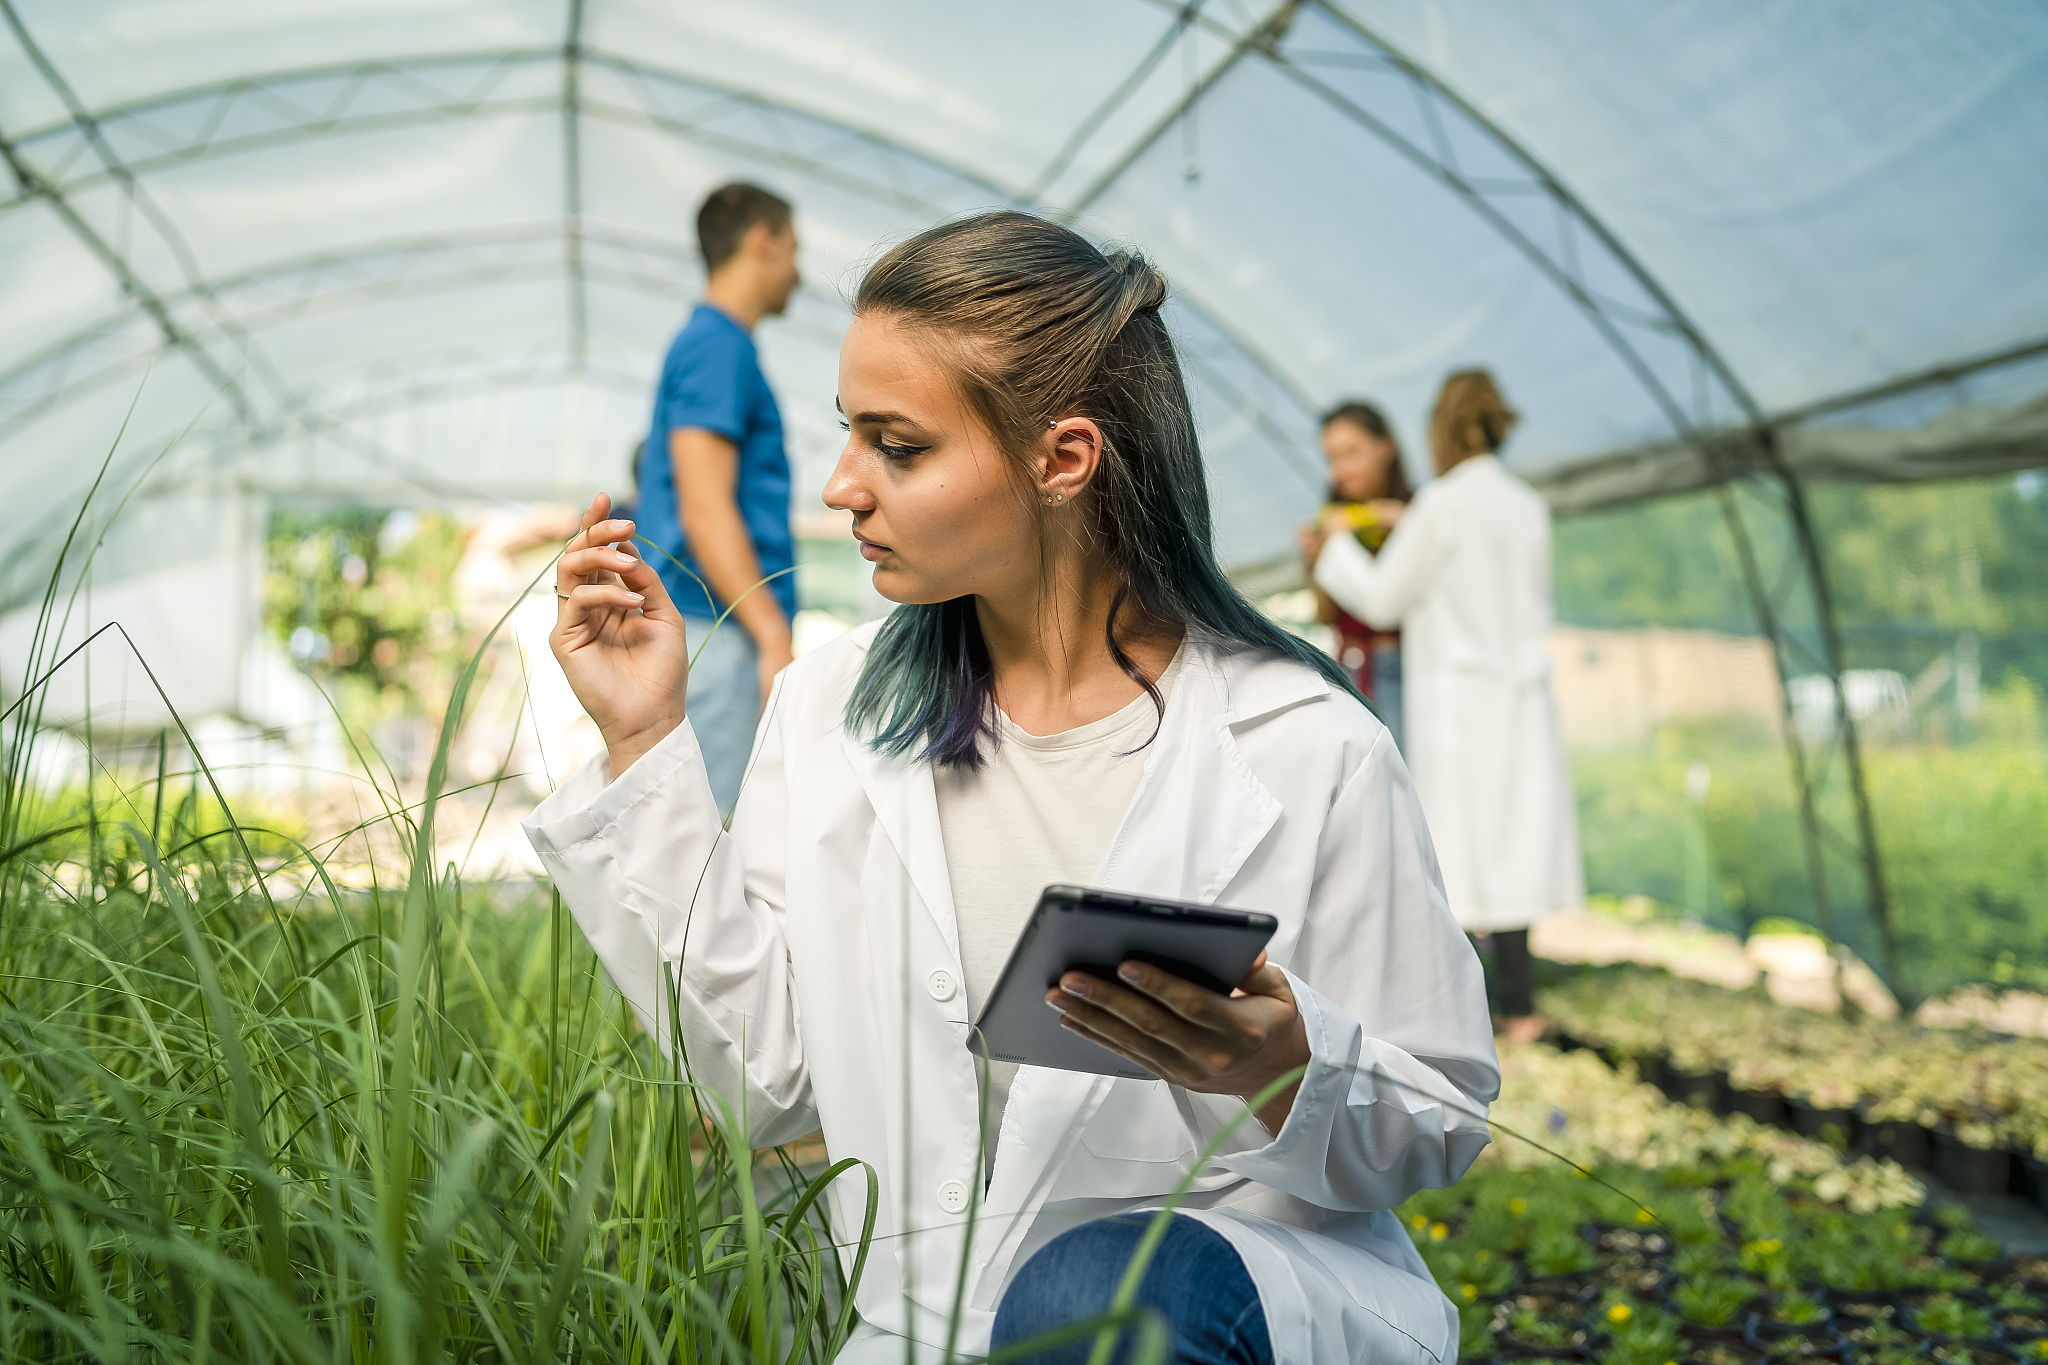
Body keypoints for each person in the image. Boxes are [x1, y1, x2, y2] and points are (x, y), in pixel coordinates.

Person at [528, 212, 1496, 1365]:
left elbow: (1437, 1114)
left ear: (1062, 459)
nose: (843, 487)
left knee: (1098, 1302)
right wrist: (643, 740)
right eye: (848, 435)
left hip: (1214, 1321)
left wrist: (1285, 1070)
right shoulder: (835, 713)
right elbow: (767, 1086)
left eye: (897, 446)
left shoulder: (1303, 745)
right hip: (928, 1328)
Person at [1302, 370, 1584, 1040]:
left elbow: (1379, 599)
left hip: (1457, 698)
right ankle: (1521, 1004)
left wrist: (1332, 549)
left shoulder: (1443, 503)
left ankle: (1461, 1012)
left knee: (1448, 849)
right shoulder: (1526, 504)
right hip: (1520, 694)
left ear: (1440, 430)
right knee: (1512, 844)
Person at [635, 182, 802, 812]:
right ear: (763, 241)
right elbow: (705, 505)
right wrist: (771, 634)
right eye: (793, 249)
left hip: (711, 624)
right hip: (720, 627)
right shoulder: (717, 346)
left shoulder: (715, 345)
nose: (797, 271)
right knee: (717, 853)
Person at [1303, 401, 1412, 751]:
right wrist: (1319, 562)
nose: (1341, 470)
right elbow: (1325, 615)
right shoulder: (1332, 521)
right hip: (1348, 667)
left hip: (1399, 666)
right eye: (1332, 458)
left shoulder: (1418, 514)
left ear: (1386, 447)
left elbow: (1392, 606)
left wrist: (1397, 521)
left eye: (1351, 453)